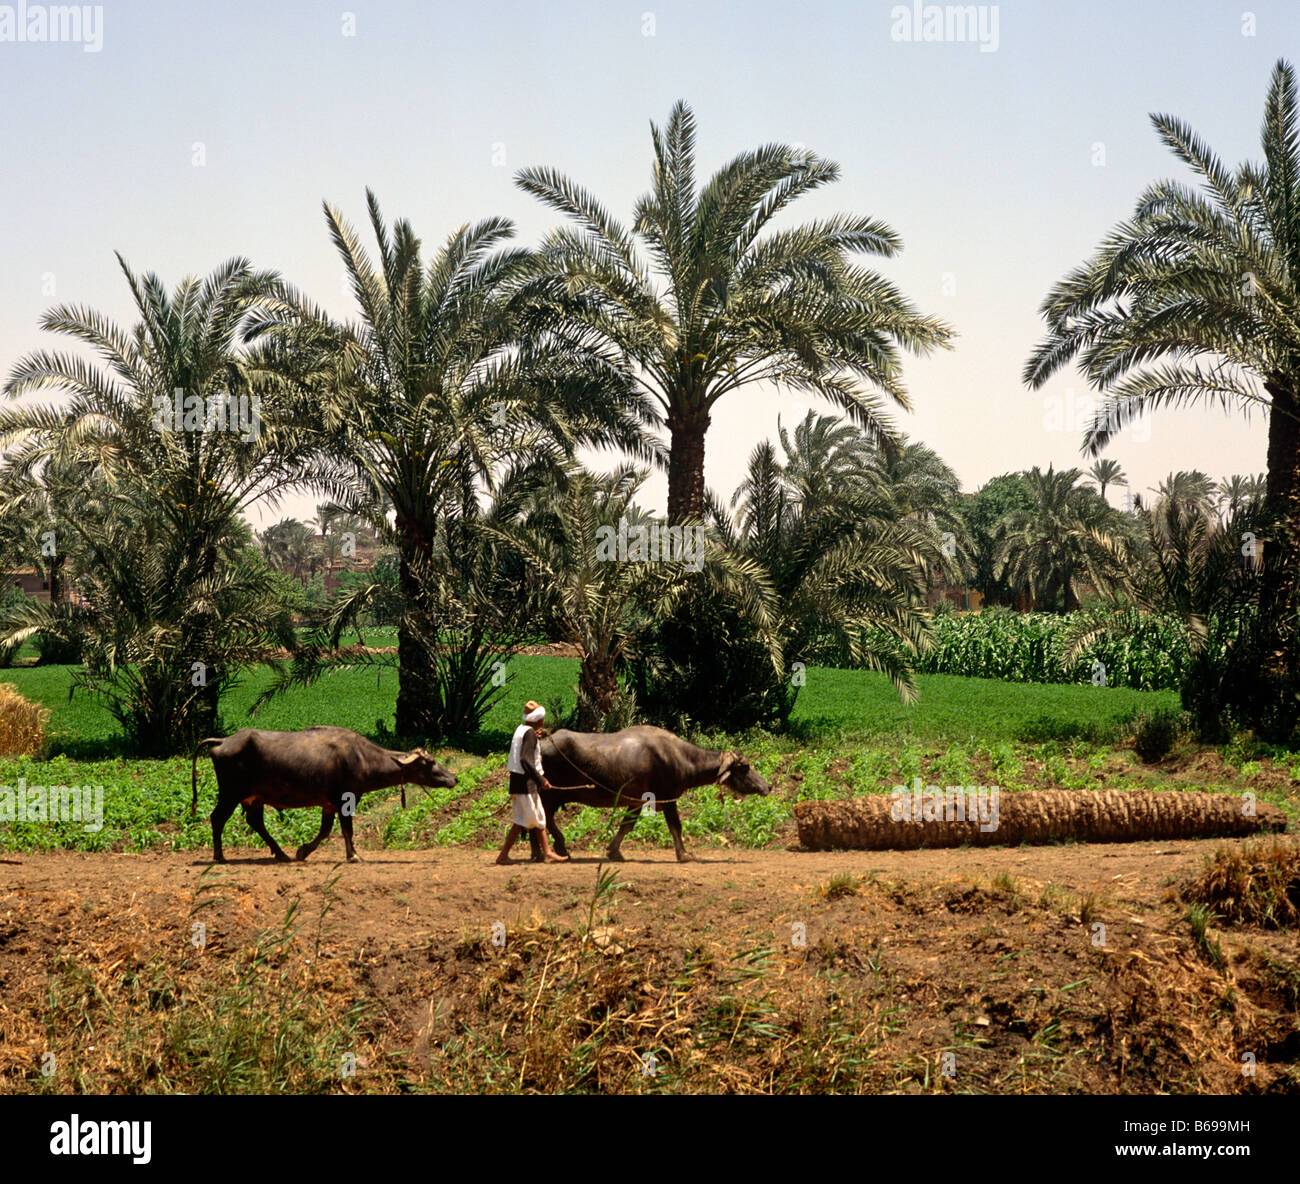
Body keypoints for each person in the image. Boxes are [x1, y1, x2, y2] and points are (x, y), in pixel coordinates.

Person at [497, 701, 568, 864]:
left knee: (533, 818)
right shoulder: (530, 734)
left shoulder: (522, 730)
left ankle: (546, 853)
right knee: (530, 819)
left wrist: (534, 737)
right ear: (539, 720)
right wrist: (541, 780)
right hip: (525, 784)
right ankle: (505, 855)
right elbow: (525, 760)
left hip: (519, 782)